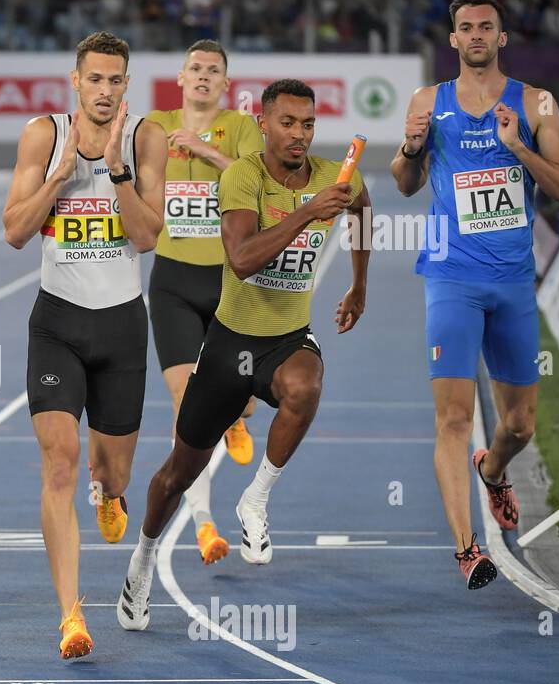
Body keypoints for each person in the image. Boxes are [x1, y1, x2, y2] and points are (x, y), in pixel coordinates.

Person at [118, 79, 370, 630]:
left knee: (306, 387)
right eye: (287, 123)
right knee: (178, 473)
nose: (299, 134)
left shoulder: (335, 177)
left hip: (287, 338)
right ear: (263, 122)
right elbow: (241, 259)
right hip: (230, 346)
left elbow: (362, 206)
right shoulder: (243, 175)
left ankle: (255, 499)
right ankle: (141, 562)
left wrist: (359, 286)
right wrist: (307, 213)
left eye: (307, 124)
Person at [391, 0, 559, 590]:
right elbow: (404, 184)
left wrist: (518, 146)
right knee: (452, 418)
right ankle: (468, 550)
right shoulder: (429, 101)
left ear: (502, 38)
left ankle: (493, 469)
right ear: (452, 40)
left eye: (486, 27)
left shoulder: (535, 102)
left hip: (513, 282)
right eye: (465, 27)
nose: (475, 35)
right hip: (450, 275)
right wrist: (411, 148)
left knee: (520, 423)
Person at [1, 31, 166, 659]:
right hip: (58, 325)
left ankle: (113, 491)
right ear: (75, 81)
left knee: (111, 468)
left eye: (115, 80)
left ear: (127, 84)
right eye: (94, 79)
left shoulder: (144, 137)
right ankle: (72, 615)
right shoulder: (43, 135)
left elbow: (148, 237)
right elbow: (15, 230)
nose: (104, 90)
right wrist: (59, 177)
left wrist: (117, 170)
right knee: (61, 460)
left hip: (122, 326)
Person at [143, 39, 264, 570]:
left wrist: (202, 148)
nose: (202, 76)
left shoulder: (240, 126)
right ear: (180, 76)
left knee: (243, 399)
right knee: (185, 401)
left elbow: (253, 177)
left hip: (228, 279)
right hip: (171, 279)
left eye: (213, 70)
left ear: (225, 83)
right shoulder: (154, 123)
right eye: (195, 68)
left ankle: (237, 415)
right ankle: (203, 522)